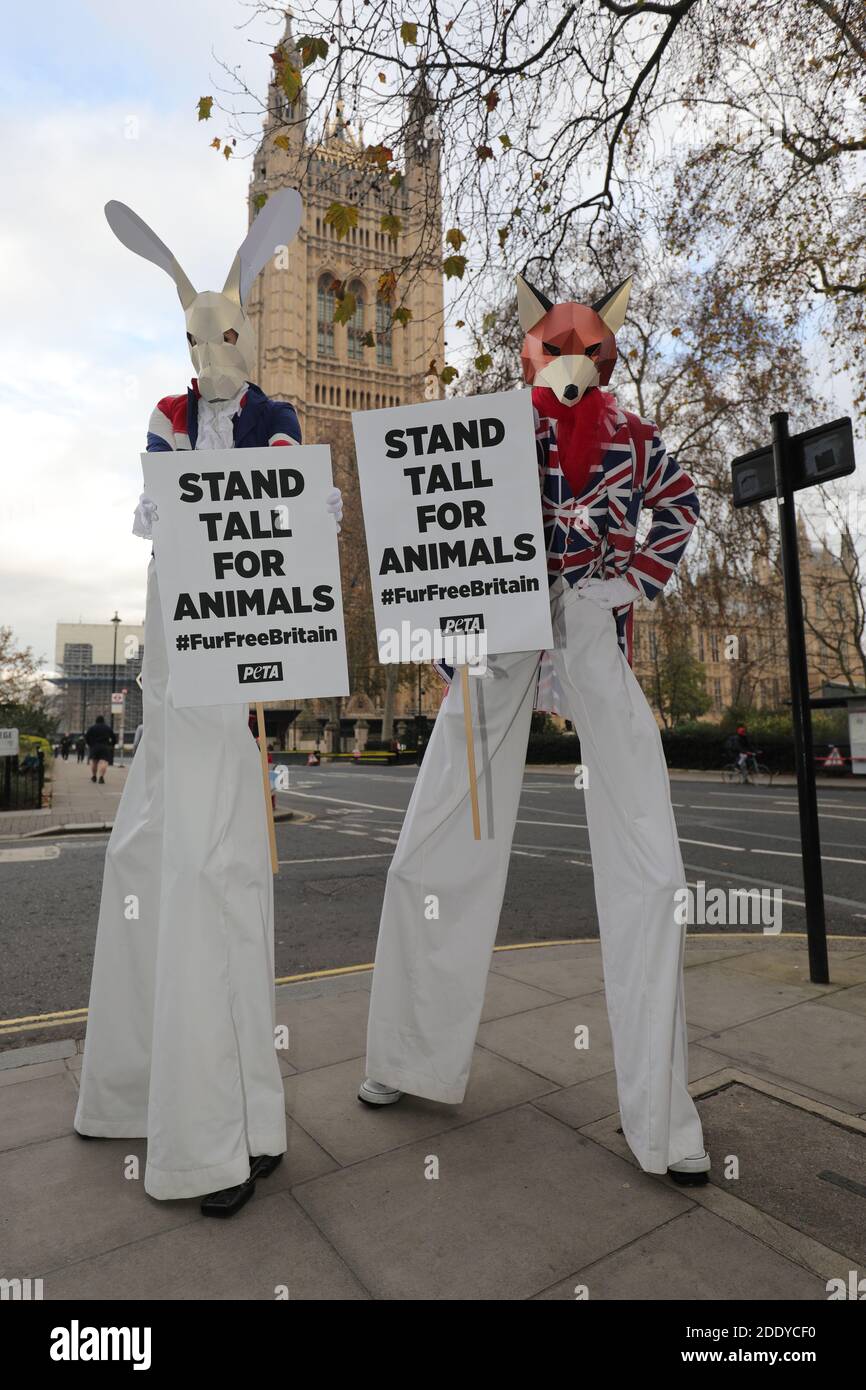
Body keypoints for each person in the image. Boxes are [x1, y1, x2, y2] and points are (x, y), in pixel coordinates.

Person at [359, 272, 711, 1186]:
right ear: (532, 349)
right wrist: (450, 657)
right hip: (501, 631)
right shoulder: (492, 432)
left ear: (606, 355)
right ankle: (404, 1053)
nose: (568, 364)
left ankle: (665, 1119)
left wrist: (625, 578)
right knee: (437, 832)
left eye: (585, 351)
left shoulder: (636, 437)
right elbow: (445, 532)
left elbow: (678, 505)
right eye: (554, 348)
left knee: (648, 851)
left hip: (594, 624)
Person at [74, 190, 343, 1217]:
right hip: (173, 667)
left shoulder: (277, 418)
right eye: (202, 334)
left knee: (210, 880)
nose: (216, 350)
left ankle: (223, 1133)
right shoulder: (167, 416)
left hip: (229, 680)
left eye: (229, 329)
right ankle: (166, 1097)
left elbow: (284, 515)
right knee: (158, 865)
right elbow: (170, 519)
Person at [84, 716, 116, 784]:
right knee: (103, 762)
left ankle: (94, 776)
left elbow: (86, 737)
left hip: (94, 746)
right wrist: (111, 745)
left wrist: (90, 744)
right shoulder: (107, 728)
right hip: (105, 746)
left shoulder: (92, 728)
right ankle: (101, 777)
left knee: (94, 762)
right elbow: (114, 738)